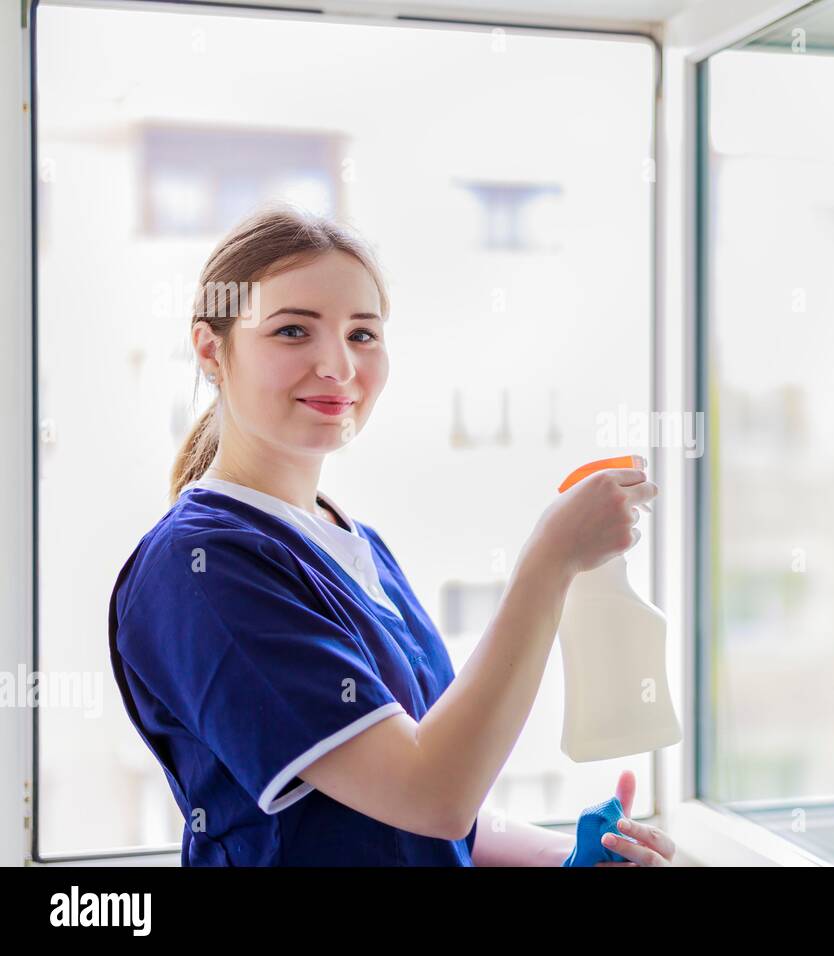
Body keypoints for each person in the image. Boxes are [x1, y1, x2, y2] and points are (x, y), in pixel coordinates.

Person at [108, 203, 672, 866]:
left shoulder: (351, 543)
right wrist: (549, 563)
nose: (337, 366)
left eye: (363, 335)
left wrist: (563, 857)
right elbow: (430, 794)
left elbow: (417, 812)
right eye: (293, 331)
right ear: (211, 349)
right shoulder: (200, 569)